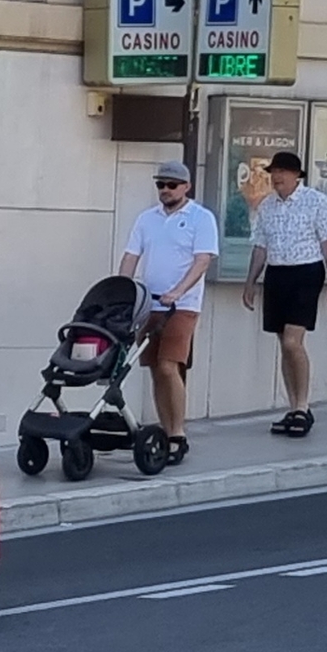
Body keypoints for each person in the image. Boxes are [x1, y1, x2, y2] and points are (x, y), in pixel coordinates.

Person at [118, 160, 219, 466]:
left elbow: (202, 260)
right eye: (160, 184)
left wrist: (179, 290)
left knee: (167, 365)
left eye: (171, 185)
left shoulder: (201, 218)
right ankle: (165, 429)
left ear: (186, 187)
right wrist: (122, 292)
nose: (165, 190)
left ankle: (177, 434)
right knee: (154, 369)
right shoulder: (147, 219)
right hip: (150, 304)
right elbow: (131, 256)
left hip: (182, 305)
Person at [241, 151, 327, 438]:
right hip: (277, 273)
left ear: (296, 175)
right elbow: (260, 246)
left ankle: (303, 405)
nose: (277, 177)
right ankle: (293, 406)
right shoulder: (267, 206)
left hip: (306, 272)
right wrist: (250, 281)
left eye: (283, 172)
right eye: (274, 172)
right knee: (282, 342)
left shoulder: (315, 201)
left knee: (292, 341)